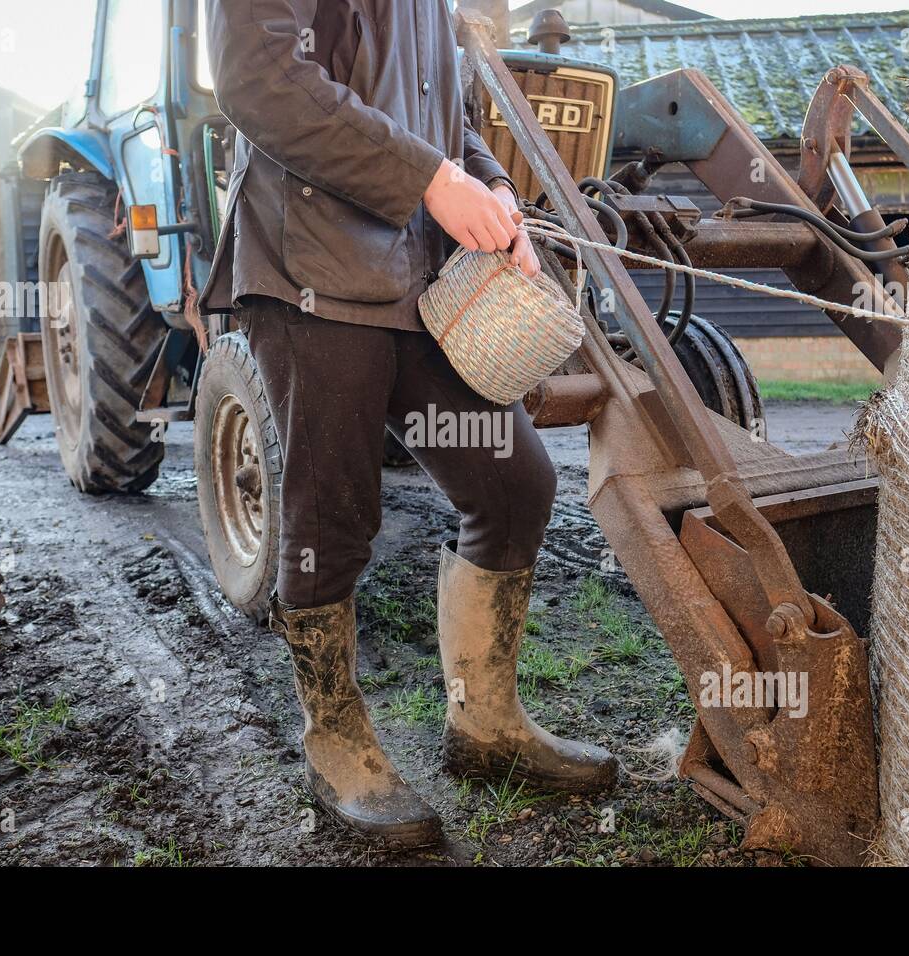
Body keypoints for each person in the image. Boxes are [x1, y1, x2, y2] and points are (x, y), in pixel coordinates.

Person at [201, 0, 617, 847]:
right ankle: (337, 745)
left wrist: (489, 185)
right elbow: (257, 78)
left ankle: (486, 727)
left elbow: (444, 114)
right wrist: (434, 181)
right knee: (333, 517)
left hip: (423, 279)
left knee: (514, 482)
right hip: (312, 269)